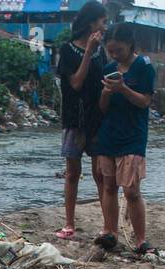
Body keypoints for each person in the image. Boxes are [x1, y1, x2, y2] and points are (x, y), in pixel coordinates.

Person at [94, 23, 156, 253]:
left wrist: (123, 89)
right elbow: (102, 108)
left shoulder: (144, 67)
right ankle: (110, 232)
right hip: (109, 134)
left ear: (130, 45)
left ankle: (140, 239)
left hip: (133, 135)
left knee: (131, 190)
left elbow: (145, 101)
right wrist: (106, 92)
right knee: (109, 185)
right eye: (110, 51)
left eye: (118, 50)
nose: (114, 55)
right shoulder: (109, 68)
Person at [55, 1, 108, 239]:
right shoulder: (67, 50)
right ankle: (69, 224)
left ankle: (108, 226)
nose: (105, 27)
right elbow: (75, 83)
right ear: (91, 23)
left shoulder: (102, 51)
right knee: (72, 173)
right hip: (74, 118)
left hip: (97, 118)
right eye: (102, 22)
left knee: (101, 174)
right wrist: (88, 51)